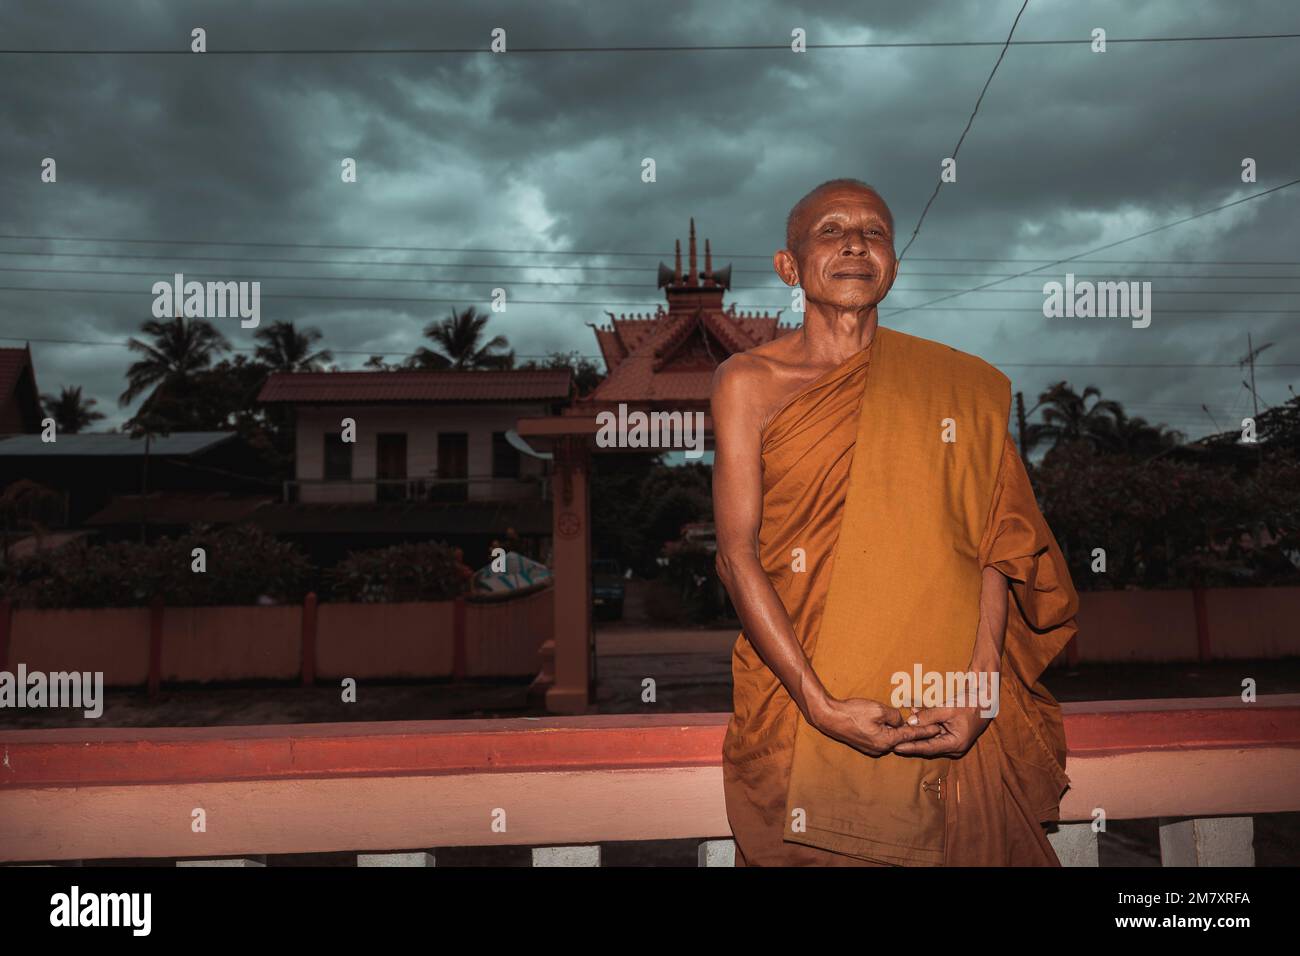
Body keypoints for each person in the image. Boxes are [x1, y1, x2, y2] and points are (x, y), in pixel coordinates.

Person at [710, 179, 1080, 866]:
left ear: (892, 265)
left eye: (874, 231)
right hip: (806, 696)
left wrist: (978, 695)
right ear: (788, 266)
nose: (855, 242)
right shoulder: (747, 382)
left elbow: (994, 551)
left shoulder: (956, 389)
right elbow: (737, 556)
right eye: (830, 230)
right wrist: (819, 703)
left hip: (942, 706)